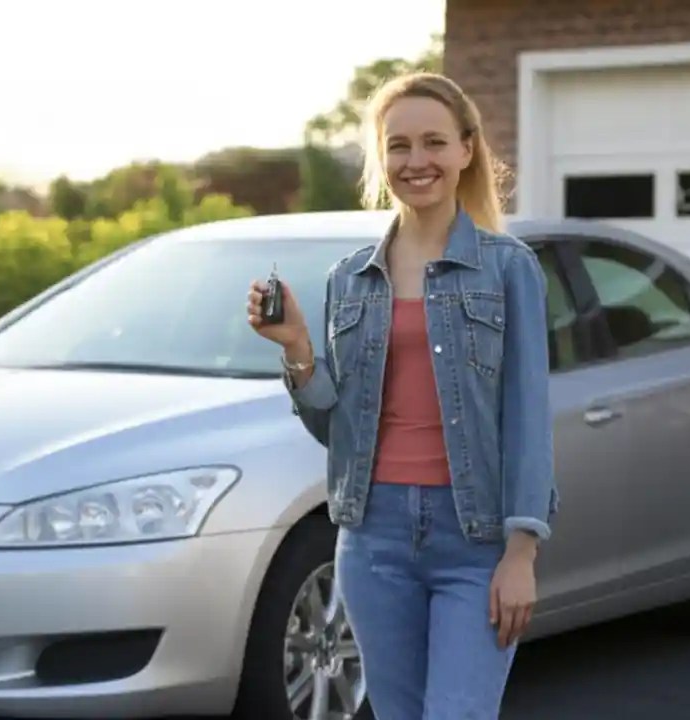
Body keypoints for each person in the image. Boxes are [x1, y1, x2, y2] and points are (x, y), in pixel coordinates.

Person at [246, 71, 558, 719]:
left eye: (434, 143)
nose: (417, 162)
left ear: (467, 150)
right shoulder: (350, 279)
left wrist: (521, 551)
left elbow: (528, 418)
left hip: (474, 540)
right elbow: (338, 430)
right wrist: (298, 347)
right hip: (373, 537)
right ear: (381, 159)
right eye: (399, 146)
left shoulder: (508, 269)